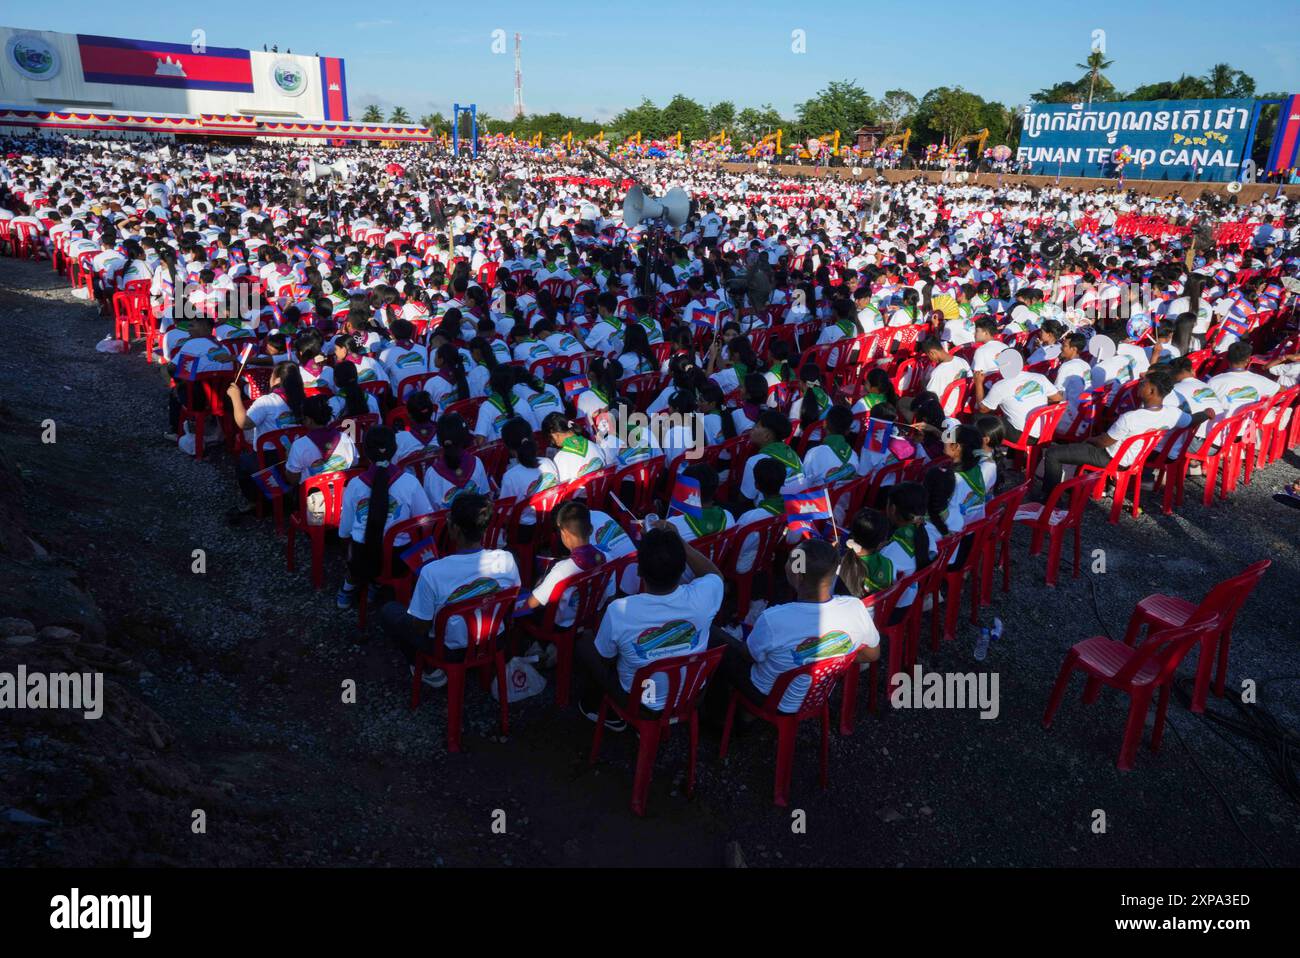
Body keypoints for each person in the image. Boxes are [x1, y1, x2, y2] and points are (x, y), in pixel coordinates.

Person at [575, 521, 724, 730]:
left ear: (638, 571)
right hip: (692, 694)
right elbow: (714, 575)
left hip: (641, 701)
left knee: (585, 643)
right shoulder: (704, 596)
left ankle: (597, 707)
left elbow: (605, 657)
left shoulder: (620, 611)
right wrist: (679, 541)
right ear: (683, 569)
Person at [713, 538, 879, 714]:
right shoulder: (855, 607)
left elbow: (752, 656)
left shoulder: (774, 619)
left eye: (790, 561)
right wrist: (831, 659)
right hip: (818, 695)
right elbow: (872, 654)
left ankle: (723, 719)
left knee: (715, 639)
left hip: (770, 697)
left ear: (798, 575)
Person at [381, 493, 521, 690]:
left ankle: (430, 671)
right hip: (494, 640)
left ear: (454, 528)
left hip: (448, 651)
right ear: (485, 527)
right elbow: (511, 602)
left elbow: (420, 627)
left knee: (390, 610)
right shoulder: (506, 559)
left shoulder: (432, 572)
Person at [1040, 367, 1211, 497]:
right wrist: (1206, 414)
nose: (1139, 384)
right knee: (1077, 448)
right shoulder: (1174, 413)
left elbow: (1103, 442)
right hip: (1134, 459)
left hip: (1111, 458)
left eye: (1143, 384)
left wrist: (1089, 440)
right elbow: (1192, 420)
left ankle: (1048, 500)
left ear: (1151, 391)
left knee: (1054, 453)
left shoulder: (1131, 417)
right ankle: (1074, 485)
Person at [336, 427, 433, 609]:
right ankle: (376, 585)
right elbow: (425, 520)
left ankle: (349, 587)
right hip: (399, 560)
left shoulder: (355, 485)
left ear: (366, 452)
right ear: (394, 449)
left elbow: (345, 530)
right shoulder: (410, 482)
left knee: (352, 549)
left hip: (362, 558)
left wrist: (346, 550)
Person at [519, 500, 615, 628]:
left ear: (564, 533)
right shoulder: (608, 558)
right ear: (591, 529)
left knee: (521, 600)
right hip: (588, 614)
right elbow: (610, 595)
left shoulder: (561, 571)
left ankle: (538, 644)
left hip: (559, 624)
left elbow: (531, 603)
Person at [1207, 341, 1281, 415]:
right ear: (1248, 360)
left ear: (1227, 358)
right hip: (1246, 424)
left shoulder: (1214, 381)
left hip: (1219, 424)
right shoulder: (1260, 380)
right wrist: (1264, 404)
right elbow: (1284, 391)